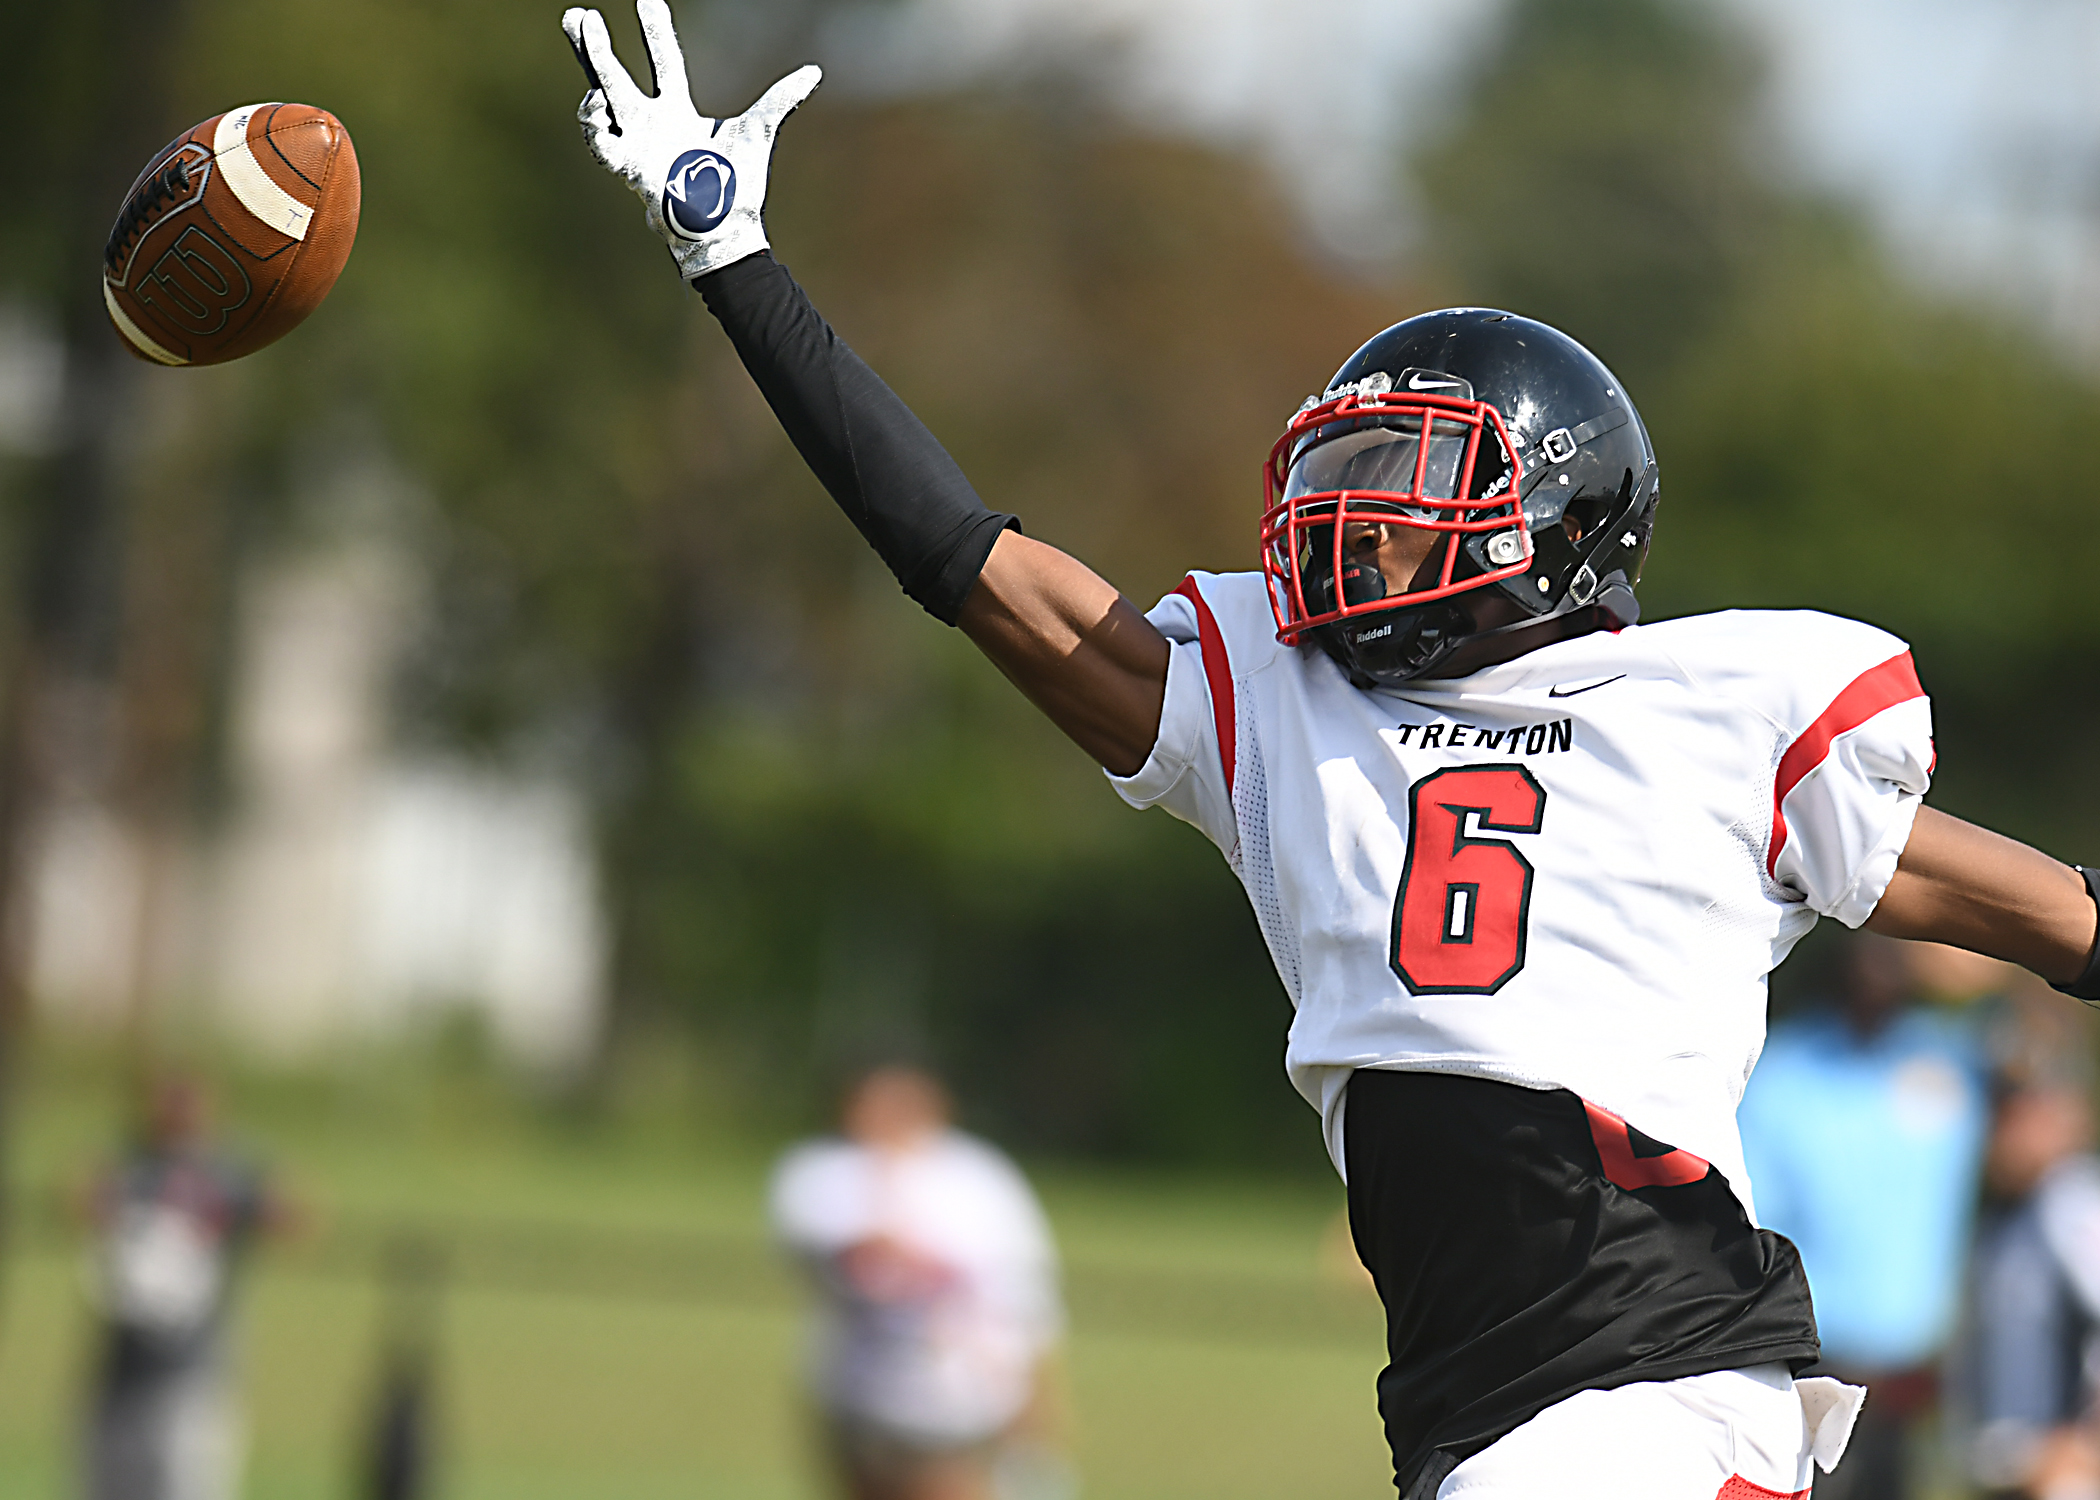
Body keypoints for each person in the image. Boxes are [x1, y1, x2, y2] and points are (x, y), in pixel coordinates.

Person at [555, 6, 2100, 1495]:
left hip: (1652, 1384)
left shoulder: (1712, 711)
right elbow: (975, 567)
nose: (1355, 520)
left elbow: (2028, 909)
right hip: (1484, 1405)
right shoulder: (1288, 708)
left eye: (1413, 478)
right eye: (1348, 474)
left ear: (1555, 516)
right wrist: (736, 265)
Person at [1738, 935, 1992, 1500]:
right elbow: (1752, 1218)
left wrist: (1991, 971)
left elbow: (2043, 1065)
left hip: (1920, 1373)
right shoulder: (1784, 1070)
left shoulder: (1951, 1057)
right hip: (1814, 1363)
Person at [769, 1065, 1067, 1500]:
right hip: (860, 1403)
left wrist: (1032, 1408)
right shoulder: (824, 1172)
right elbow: (842, 1258)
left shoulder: (979, 1178)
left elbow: (1025, 1302)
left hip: (956, 1409)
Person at [79, 1072, 293, 1500]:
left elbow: (290, 1216)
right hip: (119, 1374)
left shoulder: (227, 1171)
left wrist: (246, 1198)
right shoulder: (132, 1166)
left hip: (192, 1373)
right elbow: (79, 1200)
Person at [1950, 1009, 2100, 1500]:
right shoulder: (2007, 1211)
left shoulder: (2076, 1204)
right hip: (2008, 1473)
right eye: (2000, 1111)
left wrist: (2087, 1444)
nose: (2006, 1132)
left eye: (2025, 1113)